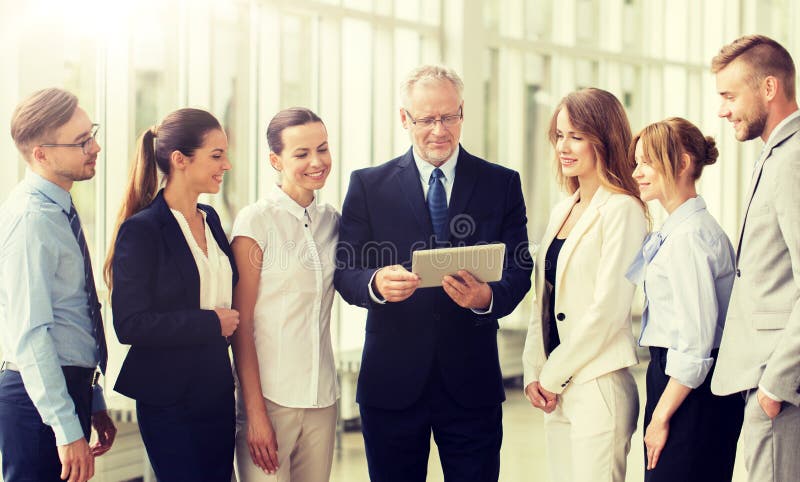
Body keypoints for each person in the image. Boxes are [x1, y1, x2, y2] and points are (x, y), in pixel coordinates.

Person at [334, 65, 532, 481]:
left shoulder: (501, 183)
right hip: (392, 384)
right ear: (405, 119)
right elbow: (346, 269)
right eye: (426, 119)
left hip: (471, 384)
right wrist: (375, 284)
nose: (439, 130)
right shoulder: (369, 186)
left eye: (449, 116)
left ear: (462, 112)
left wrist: (488, 299)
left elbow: (519, 265)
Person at [104, 108, 239, 481]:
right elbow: (130, 324)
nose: (226, 165)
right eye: (216, 156)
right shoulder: (142, 230)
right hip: (170, 398)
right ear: (180, 160)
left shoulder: (211, 219)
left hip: (215, 390)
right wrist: (211, 321)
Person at [521, 88, 647, 482]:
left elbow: (608, 312)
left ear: (604, 138)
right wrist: (532, 370)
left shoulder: (624, 209)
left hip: (598, 385)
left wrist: (551, 374)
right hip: (556, 386)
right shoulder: (565, 207)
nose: (564, 146)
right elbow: (544, 298)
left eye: (576, 136)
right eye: (559, 135)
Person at [0, 88, 116, 482]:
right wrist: (66, 430)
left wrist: (92, 399)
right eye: (81, 141)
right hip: (38, 404)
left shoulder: (58, 208)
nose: (95, 146)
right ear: (42, 155)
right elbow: (31, 336)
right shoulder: (32, 220)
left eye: (91, 133)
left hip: (66, 391)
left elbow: (71, 318)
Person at [626, 118, 744, 481]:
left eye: (647, 162)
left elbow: (695, 346)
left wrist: (660, 418)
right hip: (681, 382)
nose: (637, 173)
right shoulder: (681, 229)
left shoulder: (690, 238)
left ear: (682, 163)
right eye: (636, 162)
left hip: (690, 390)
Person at [230, 107, 339, 482]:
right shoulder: (255, 221)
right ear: (275, 160)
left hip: (323, 399)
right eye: (302, 153)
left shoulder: (333, 222)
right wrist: (255, 412)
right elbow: (240, 326)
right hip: (271, 401)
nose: (317, 161)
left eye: (322, 149)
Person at [710, 34, 800, 482]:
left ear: (768, 88)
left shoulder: (793, 160)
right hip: (766, 380)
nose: (722, 110)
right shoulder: (775, 155)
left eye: (729, 95)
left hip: (780, 385)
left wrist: (774, 385)